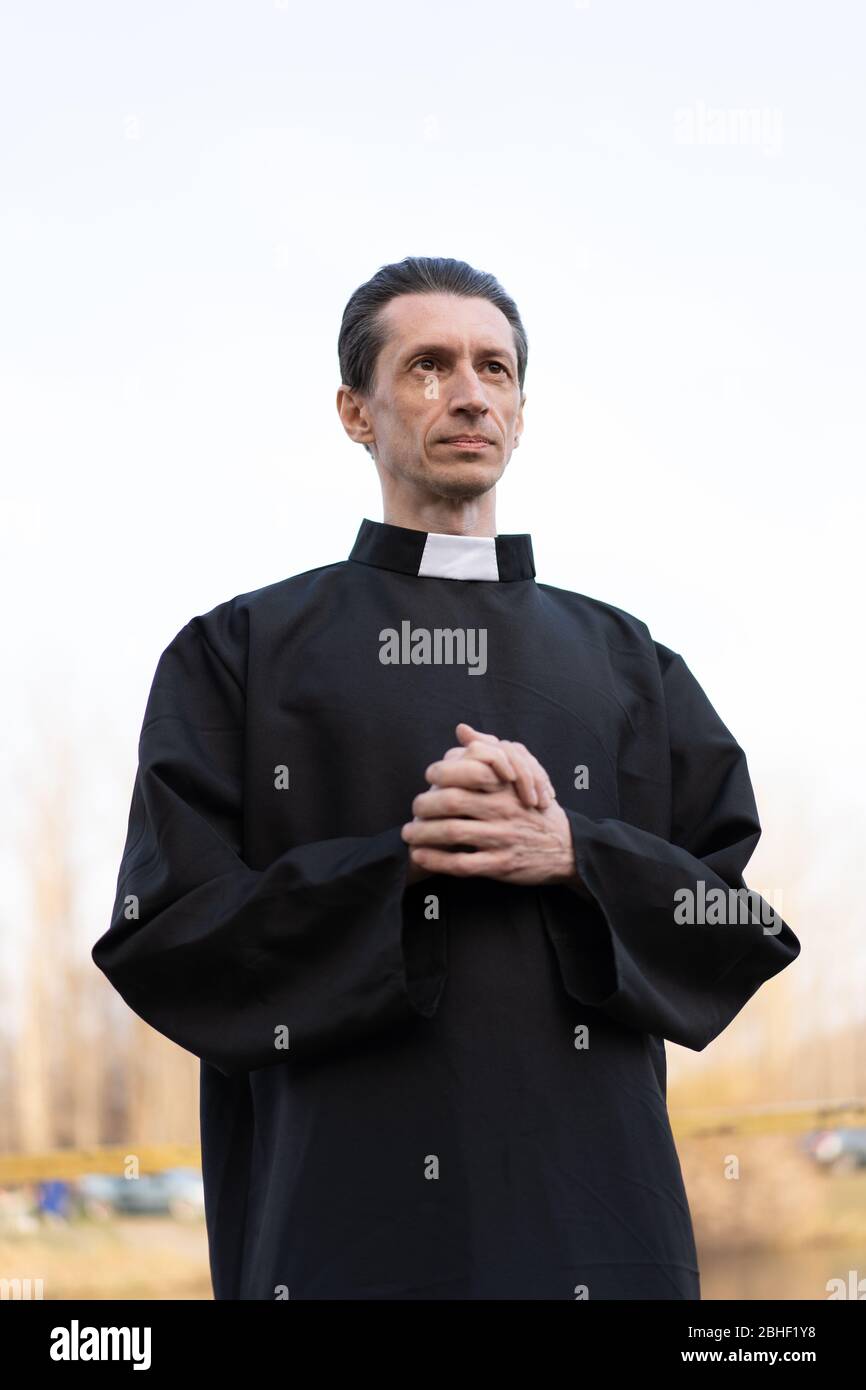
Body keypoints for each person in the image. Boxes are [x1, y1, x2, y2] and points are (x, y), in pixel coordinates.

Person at [92, 255, 800, 1300]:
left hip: (598, 1234)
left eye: (495, 369)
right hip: (340, 1232)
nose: (469, 393)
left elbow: (733, 922)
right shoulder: (238, 652)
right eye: (426, 365)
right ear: (353, 410)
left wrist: (577, 855)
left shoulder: (626, 663)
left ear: (519, 408)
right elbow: (166, 936)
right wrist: (403, 867)